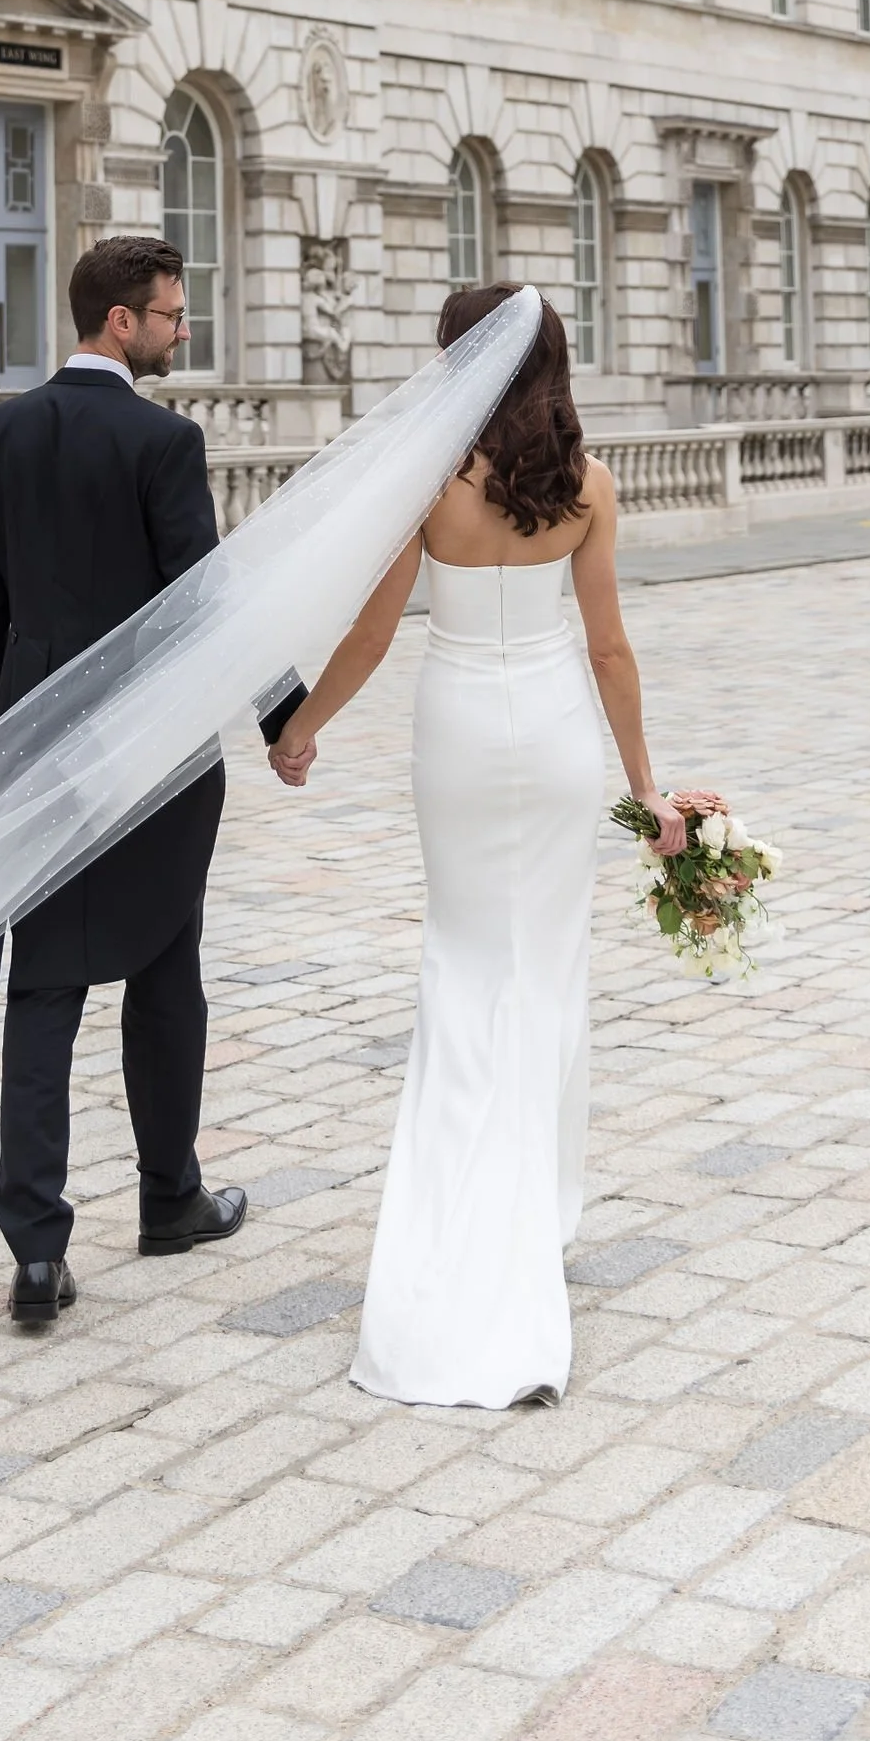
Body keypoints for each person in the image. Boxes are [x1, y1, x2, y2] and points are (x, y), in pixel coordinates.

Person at [267, 287, 684, 1410]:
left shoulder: (428, 486)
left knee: (463, 964)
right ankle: (537, 1210)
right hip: (554, 736)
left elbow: (369, 635)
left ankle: (459, 1221)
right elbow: (608, 651)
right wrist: (645, 790)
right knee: (545, 968)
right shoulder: (586, 485)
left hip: (456, 730)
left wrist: (302, 729)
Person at [0, 233, 248, 1326]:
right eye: (171, 314)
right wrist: (286, 718)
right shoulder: (163, 442)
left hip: (35, 746)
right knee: (165, 973)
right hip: (152, 746)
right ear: (120, 322)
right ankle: (170, 1199)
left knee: (43, 990)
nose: (182, 330)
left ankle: (35, 1250)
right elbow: (204, 601)